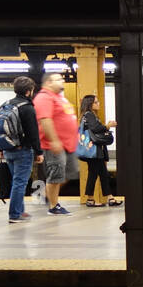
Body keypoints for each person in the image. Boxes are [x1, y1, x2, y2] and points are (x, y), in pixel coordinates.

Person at [33, 72, 79, 215]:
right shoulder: (44, 97)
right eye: (58, 79)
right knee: (56, 174)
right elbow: (45, 120)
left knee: (70, 173)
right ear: (48, 83)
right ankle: (53, 206)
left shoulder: (59, 98)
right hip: (54, 145)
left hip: (67, 145)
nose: (62, 80)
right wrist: (53, 140)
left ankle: (46, 195)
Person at [0, 75, 42, 224]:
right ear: (29, 91)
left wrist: (1, 147)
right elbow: (33, 132)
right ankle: (15, 214)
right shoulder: (27, 108)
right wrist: (39, 152)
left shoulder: (6, 104)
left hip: (8, 148)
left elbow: (1, 129)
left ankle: (20, 212)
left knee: (16, 182)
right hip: (23, 150)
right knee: (20, 182)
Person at [78, 94, 120, 207]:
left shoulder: (89, 115)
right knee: (94, 174)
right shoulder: (89, 115)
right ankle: (91, 199)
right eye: (96, 102)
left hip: (95, 151)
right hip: (93, 151)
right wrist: (108, 126)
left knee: (103, 174)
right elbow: (96, 128)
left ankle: (110, 198)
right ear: (90, 104)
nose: (98, 104)